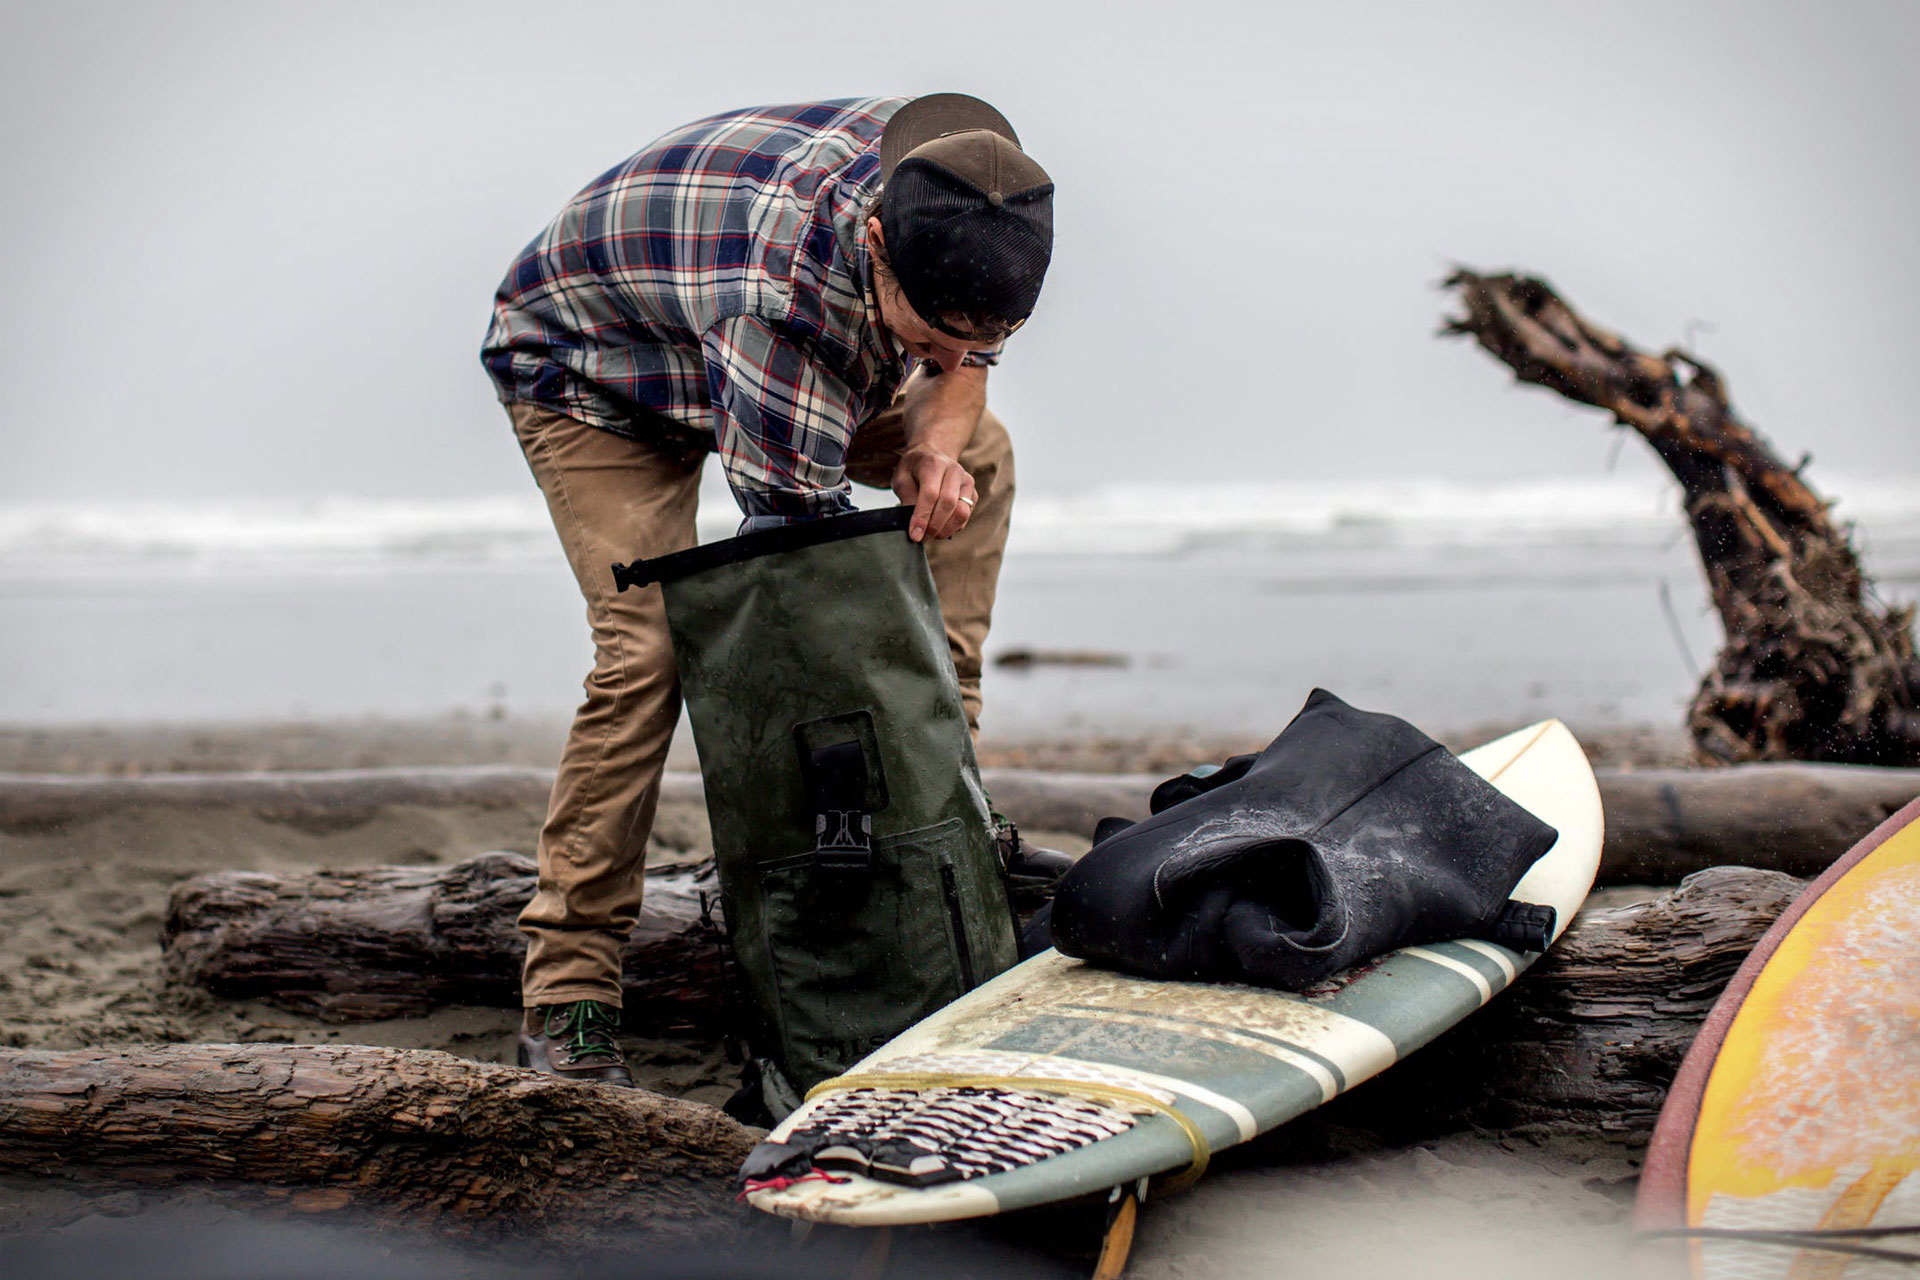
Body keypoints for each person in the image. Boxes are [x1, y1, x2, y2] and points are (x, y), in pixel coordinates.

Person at [479, 94, 1055, 1084]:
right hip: (599, 379)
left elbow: (966, 367)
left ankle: (944, 776)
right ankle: (567, 993)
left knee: (981, 460)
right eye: (939, 331)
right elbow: (807, 576)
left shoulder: (968, 191)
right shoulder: (777, 302)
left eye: (985, 335)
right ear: (878, 243)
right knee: (652, 650)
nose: (962, 355)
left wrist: (934, 434)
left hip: (775, 346)